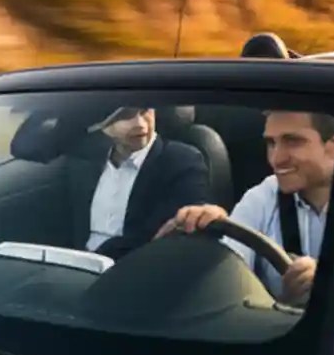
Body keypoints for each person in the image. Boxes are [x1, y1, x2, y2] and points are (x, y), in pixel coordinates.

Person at [156, 109, 334, 306]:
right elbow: (227, 271)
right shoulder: (263, 196)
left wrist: (330, 285)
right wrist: (204, 243)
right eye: (271, 143)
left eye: (293, 141)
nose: (276, 158)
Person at [11, 106, 211, 260]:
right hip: (75, 267)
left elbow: (165, 239)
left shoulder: (181, 160)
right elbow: (24, 147)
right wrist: (63, 104)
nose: (140, 124)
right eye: (126, 115)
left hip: (135, 274)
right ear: (103, 122)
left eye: (145, 111)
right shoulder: (89, 151)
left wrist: (99, 258)